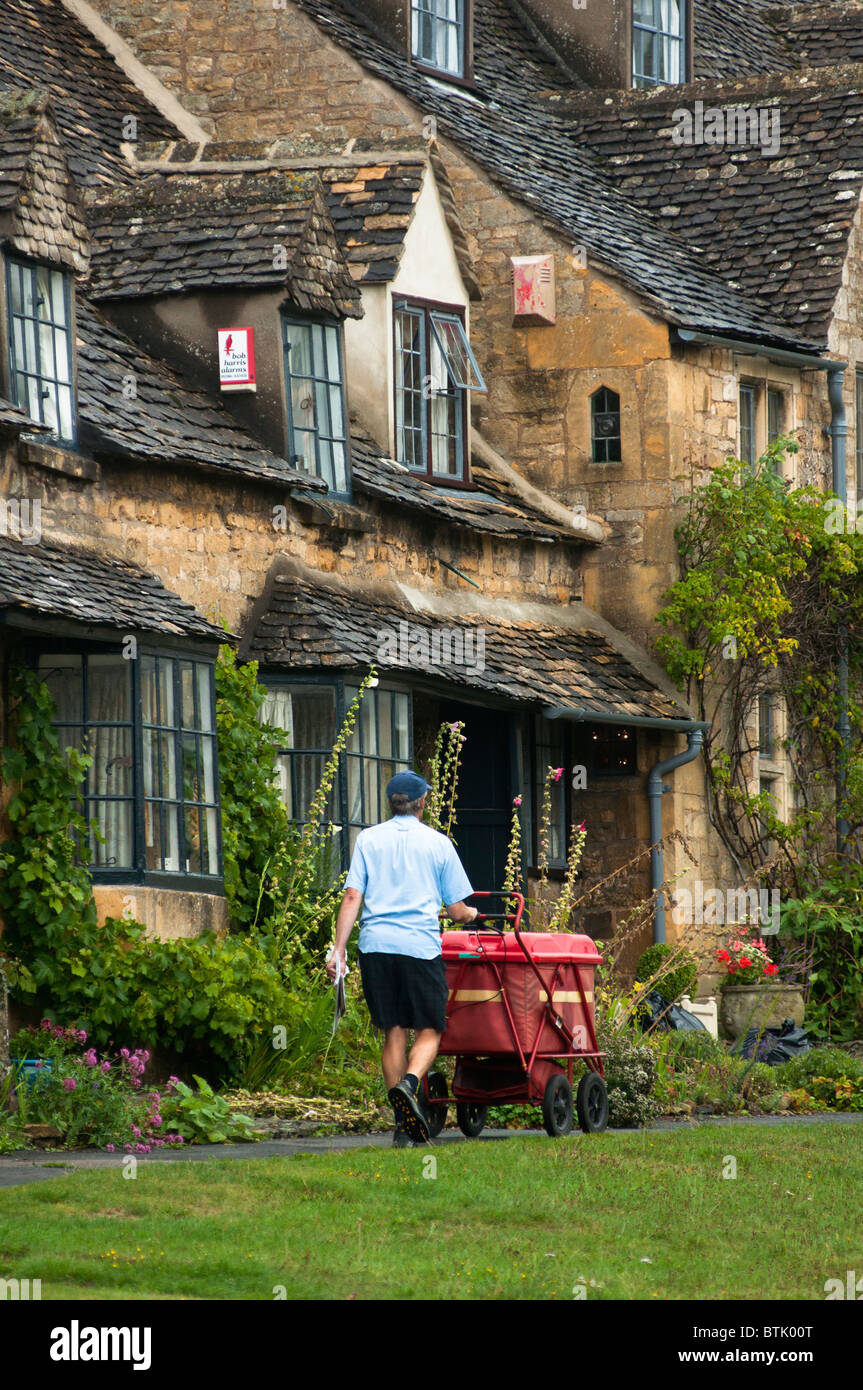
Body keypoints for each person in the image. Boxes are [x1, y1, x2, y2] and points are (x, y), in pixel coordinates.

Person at [326, 770, 479, 1145]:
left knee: (393, 1031)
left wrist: (339, 948)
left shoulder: (368, 839)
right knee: (431, 1028)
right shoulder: (438, 843)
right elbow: (457, 910)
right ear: (422, 802)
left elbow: (352, 897)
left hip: (375, 947)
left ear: (391, 801)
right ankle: (410, 1086)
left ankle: (402, 1127)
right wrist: (470, 915)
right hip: (418, 947)